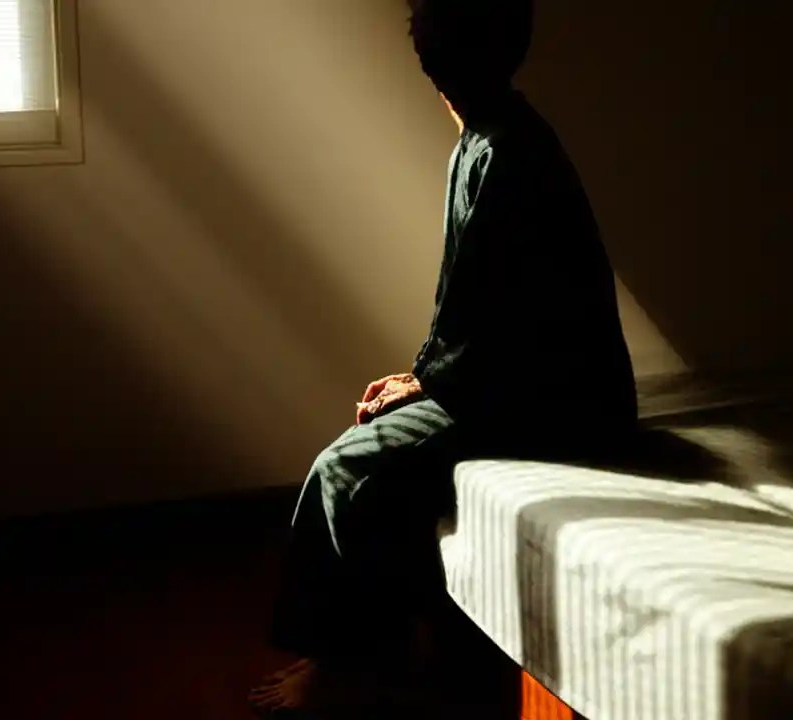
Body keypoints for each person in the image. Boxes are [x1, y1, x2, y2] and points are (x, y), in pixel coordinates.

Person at [248, 0, 637, 714]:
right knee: (373, 446)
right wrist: (422, 376)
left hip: (558, 403)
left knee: (344, 469)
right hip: (527, 382)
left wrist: (427, 381)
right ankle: (390, 641)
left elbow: (489, 323)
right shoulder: (496, 139)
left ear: (432, 68)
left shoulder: (503, 156)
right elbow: (475, 309)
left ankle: (345, 663)